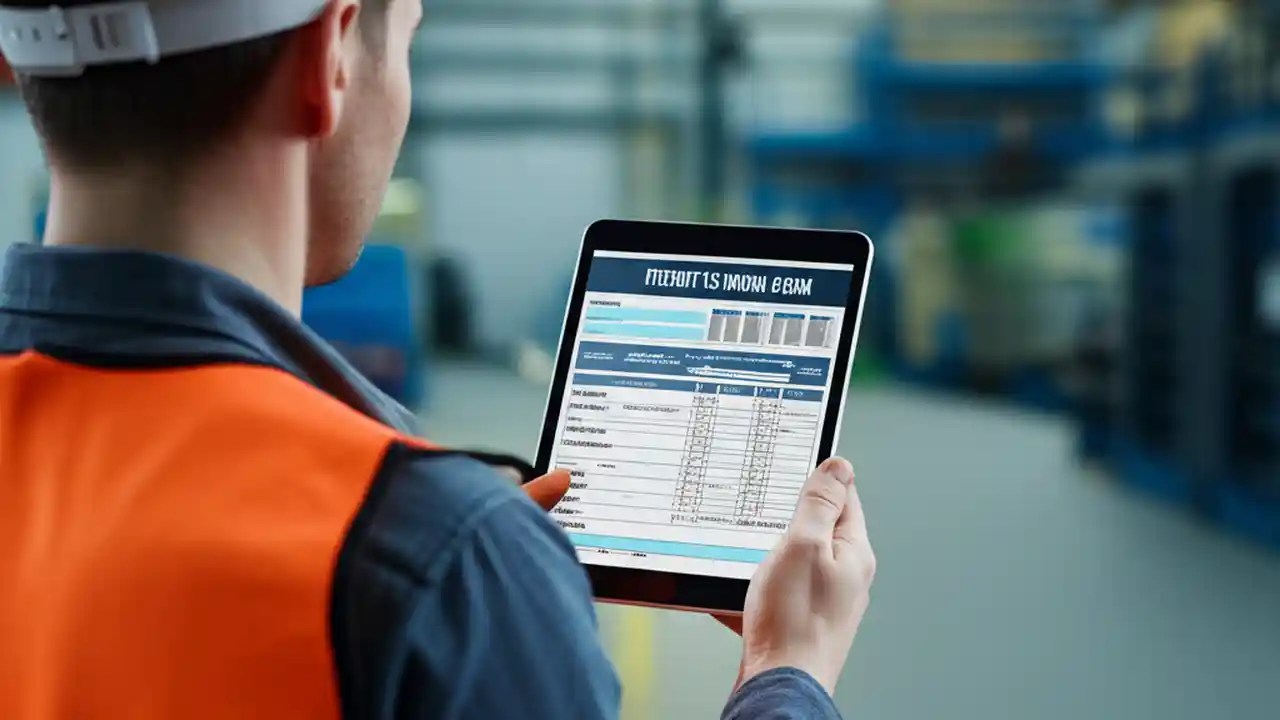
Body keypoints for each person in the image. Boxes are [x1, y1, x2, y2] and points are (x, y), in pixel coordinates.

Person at [0, 1, 878, 718]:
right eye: (408, 39)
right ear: (330, 59)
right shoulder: (438, 565)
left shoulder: (436, 549)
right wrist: (786, 670)